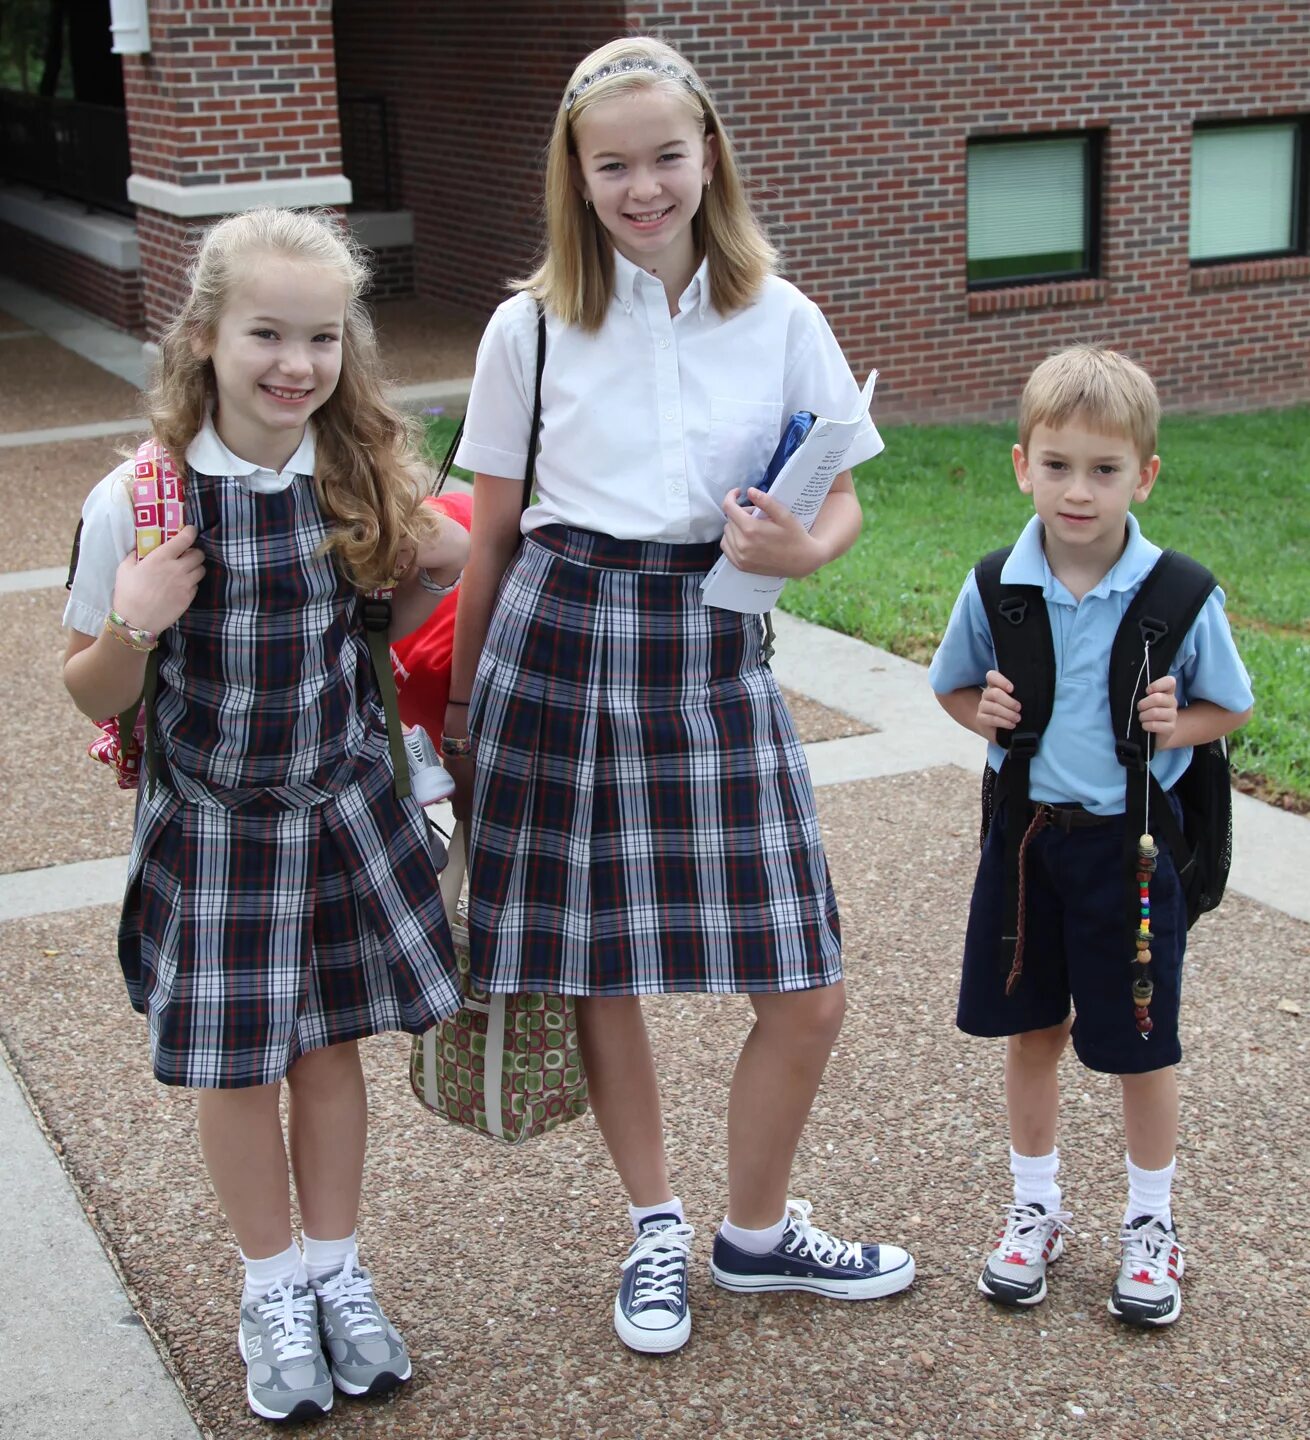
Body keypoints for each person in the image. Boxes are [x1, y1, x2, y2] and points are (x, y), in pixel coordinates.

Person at [442, 35, 915, 1357]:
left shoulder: (783, 314)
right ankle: (654, 1227)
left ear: (708, 153)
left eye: (664, 156)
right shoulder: (528, 325)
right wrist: (464, 716)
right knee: (599, 964)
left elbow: (840, 494)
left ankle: (753, 1236)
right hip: (559, 639)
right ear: (574, 174)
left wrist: (802, 552)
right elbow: (489, 535)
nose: (642, 187)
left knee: (804, 983)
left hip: (712, 641)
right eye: (612, 166)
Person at [62, 208, 470, 1421]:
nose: (296, 364)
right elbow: (91, 687)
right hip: (213, 831)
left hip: (339, 812)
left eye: (321, 338)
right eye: (266, 335)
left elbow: (406, 610)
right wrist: (135, 617)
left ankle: (337, 1273)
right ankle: (272, 1289)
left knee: (327, 1049)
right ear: (204, 336)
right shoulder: (138, 499)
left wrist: (421, 567)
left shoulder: (355, 478)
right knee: (237, 1067)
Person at [929, 345, 1253, 1327]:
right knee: (1033, 1027)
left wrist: (1176, 725)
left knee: (1141, 1043)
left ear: (1142, 476)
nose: (1079, 490)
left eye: (1104, 469)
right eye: (1058, 465)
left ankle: (1151, 1224)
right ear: (1021, 465)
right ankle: (1034, 1208)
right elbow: (952, 687)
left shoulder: (1180, 596)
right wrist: (980, 713)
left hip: (1133, 855)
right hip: (1028, 850)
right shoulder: (996, 586)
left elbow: (1229, 707)